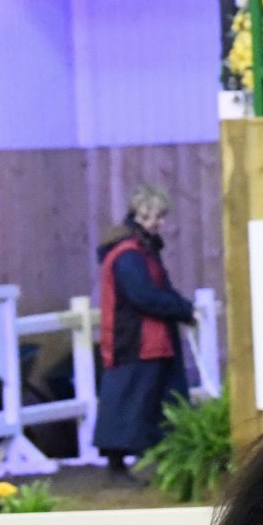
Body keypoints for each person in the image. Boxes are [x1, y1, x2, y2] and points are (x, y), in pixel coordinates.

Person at [92, 185, 193, 480]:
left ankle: (132, 461)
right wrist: (181, 309)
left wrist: (179, 306)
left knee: (141, 398)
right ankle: (116, 463)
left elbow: (155, 290)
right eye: (156, 216)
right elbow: (144, 295)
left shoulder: (140, 249)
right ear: (141, 213)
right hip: (136, 338)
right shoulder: (130, 254)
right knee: (130, 399)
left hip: (145, 337)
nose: (160, 222)